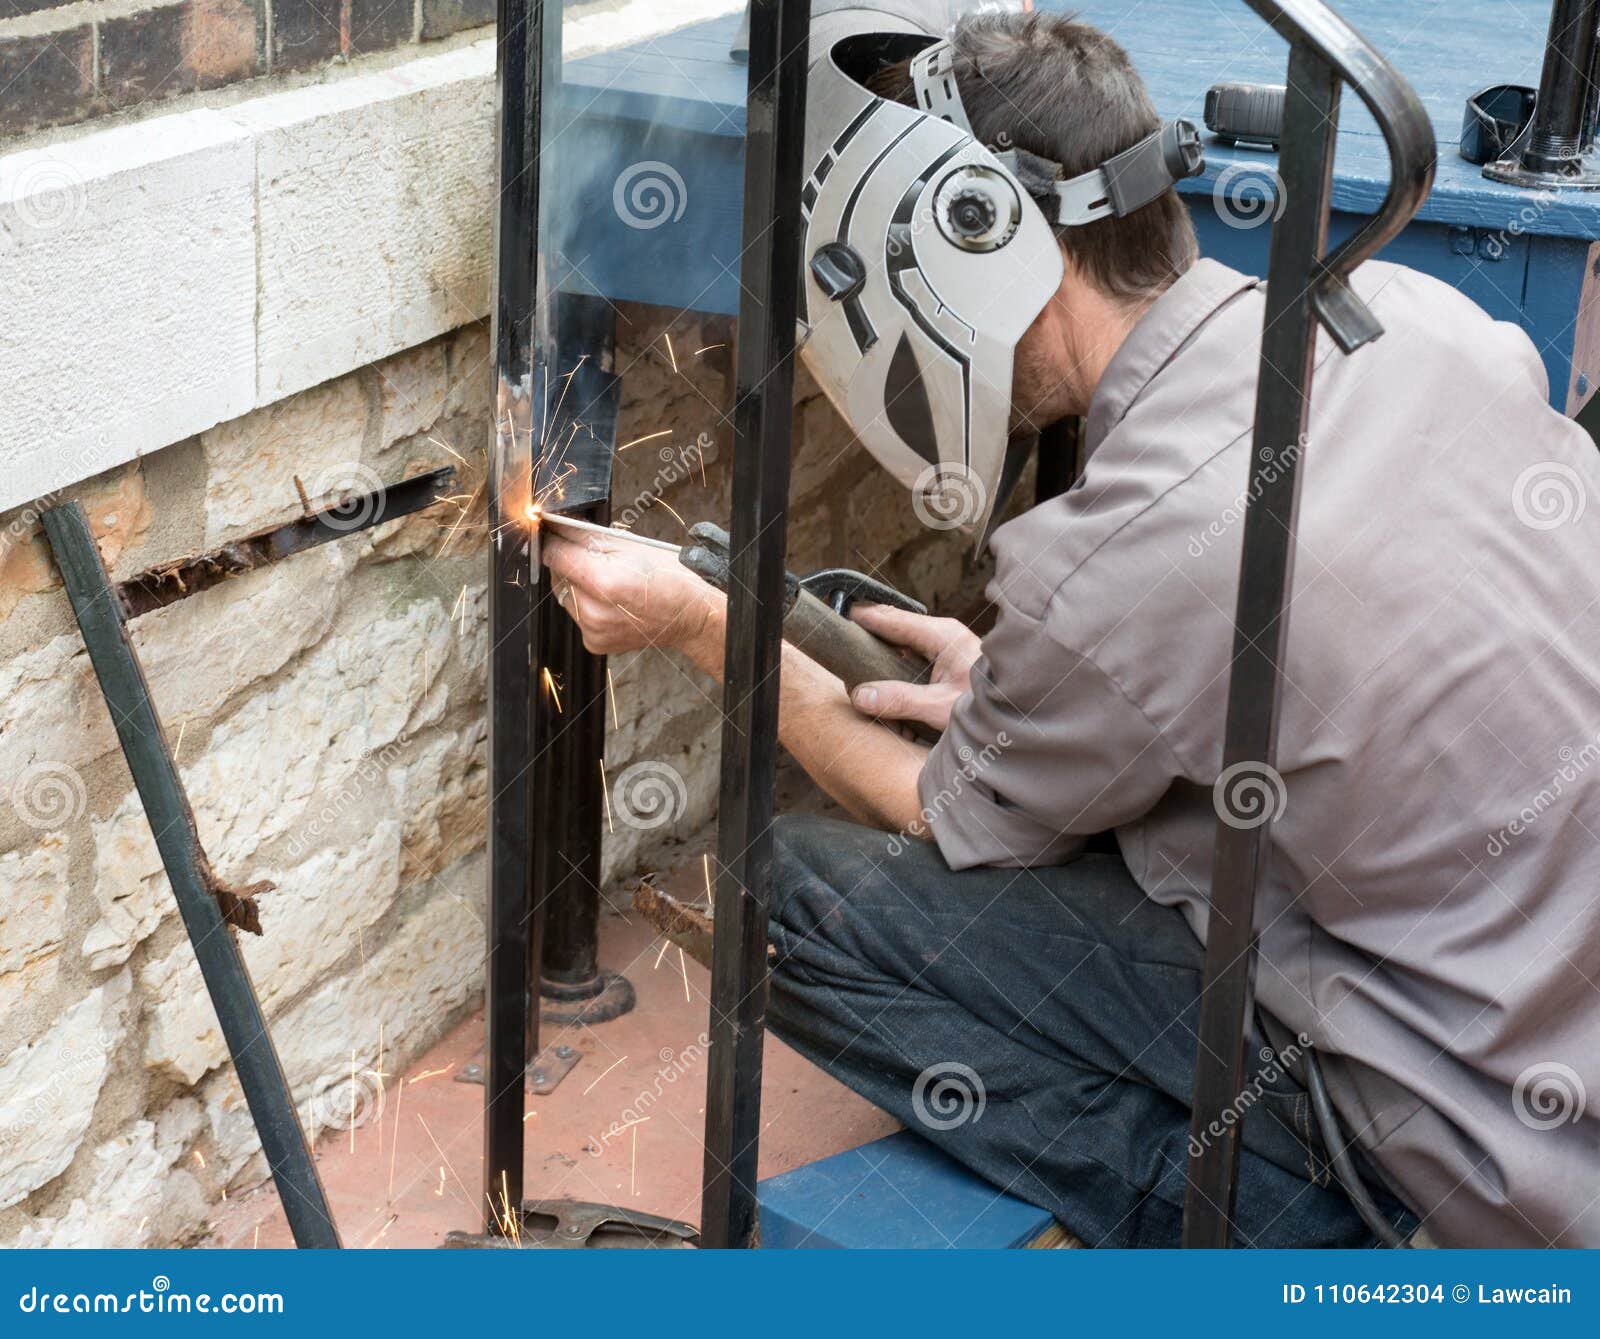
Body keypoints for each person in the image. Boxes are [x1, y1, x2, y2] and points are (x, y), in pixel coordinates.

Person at [542, 9, 1600, 1247]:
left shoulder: (1133, 543)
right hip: (1550, 1022)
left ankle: (1287, 1229)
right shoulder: (1411, 315)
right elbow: (1307, 648)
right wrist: (1043, 689)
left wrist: (701, 626)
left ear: (980, 242)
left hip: (1471, 1160)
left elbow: (940, 809)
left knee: (792, 896)